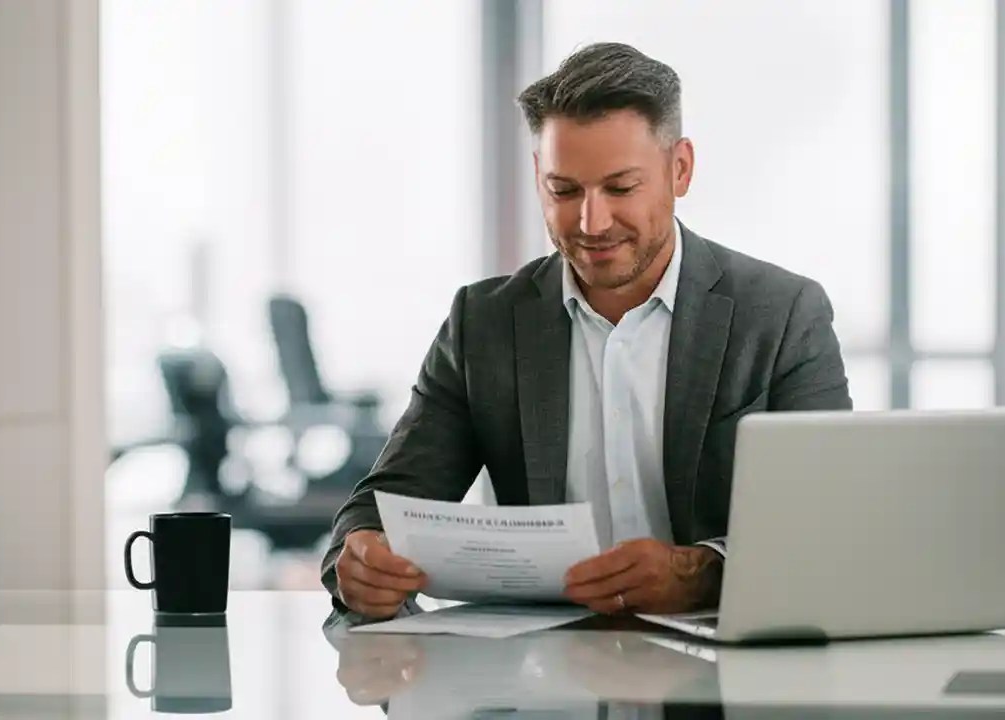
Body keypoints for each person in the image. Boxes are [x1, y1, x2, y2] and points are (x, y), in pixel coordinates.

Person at [323, 42, 851, 621]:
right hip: (540, 677)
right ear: (537, 176)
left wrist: (700, 573)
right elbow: (383, 504)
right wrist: (361, 558)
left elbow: (827, 526)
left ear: (680, 169)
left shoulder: (781, 314)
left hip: (725, 672)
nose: (590, 223)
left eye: (621, 189)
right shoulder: (485, 323)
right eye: (564, 190)